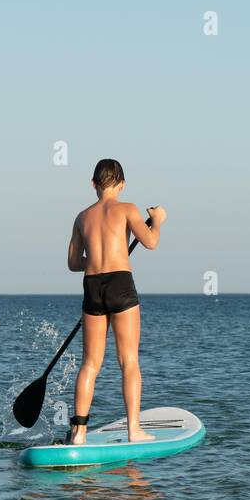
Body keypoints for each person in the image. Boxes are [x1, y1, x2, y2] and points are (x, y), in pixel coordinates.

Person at [64, 158, 166, 444]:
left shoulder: (82, 217)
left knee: (90, 364)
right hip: (120, 283)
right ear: (122, 184)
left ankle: (79, 432)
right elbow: (151, 242)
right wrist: (158, 220)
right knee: (128, 360)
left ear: (93, 184)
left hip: (92, 285)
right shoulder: (127, 209)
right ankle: (134, 430)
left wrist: (96, 260)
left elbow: (73, 263)